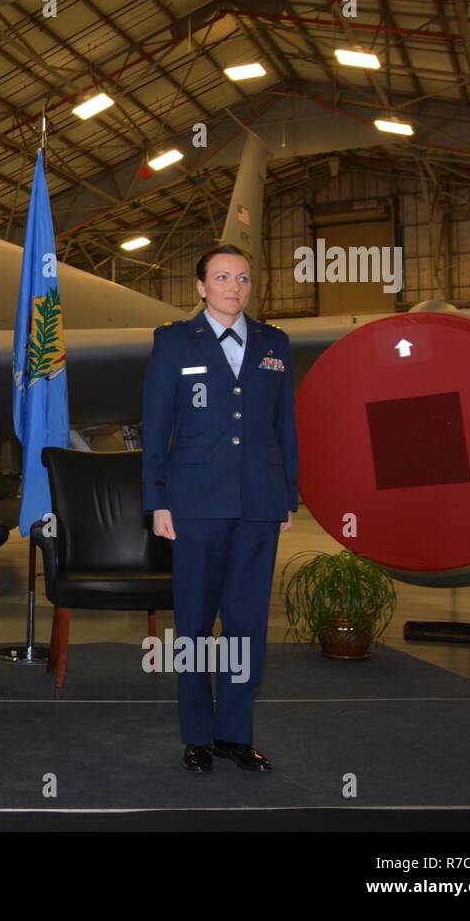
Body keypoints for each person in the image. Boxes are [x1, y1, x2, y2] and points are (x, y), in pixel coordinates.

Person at [140, 243, 298, 774]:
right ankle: (197, 735)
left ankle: (234, 733)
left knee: (247, 623)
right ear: (201, 287)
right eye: (223, 277)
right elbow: (156, 427)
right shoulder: (173, 343)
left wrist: (287, 494)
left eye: (244, 278)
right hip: (195, 505)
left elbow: (286, 429)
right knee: (194, 623)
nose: (235, 286)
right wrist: (157, 499)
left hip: (258, 502)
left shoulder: (276, 345)